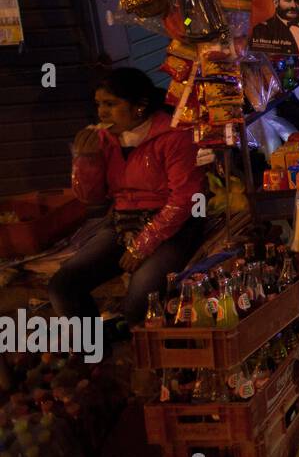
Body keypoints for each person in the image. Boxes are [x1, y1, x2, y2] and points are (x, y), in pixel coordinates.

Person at [49, 69, 206, 326]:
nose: (102, 113)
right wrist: (86, 159)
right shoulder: (105, 140)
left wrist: (143, 244)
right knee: (62, 287)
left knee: (138, 304)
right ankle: (94, 354)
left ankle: (145, 353)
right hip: (122, 223)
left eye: (111, 104)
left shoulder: (174, 136)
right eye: (99, 104)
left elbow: (184, 198)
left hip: (171, 227)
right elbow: (92, 197)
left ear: (139, 107)